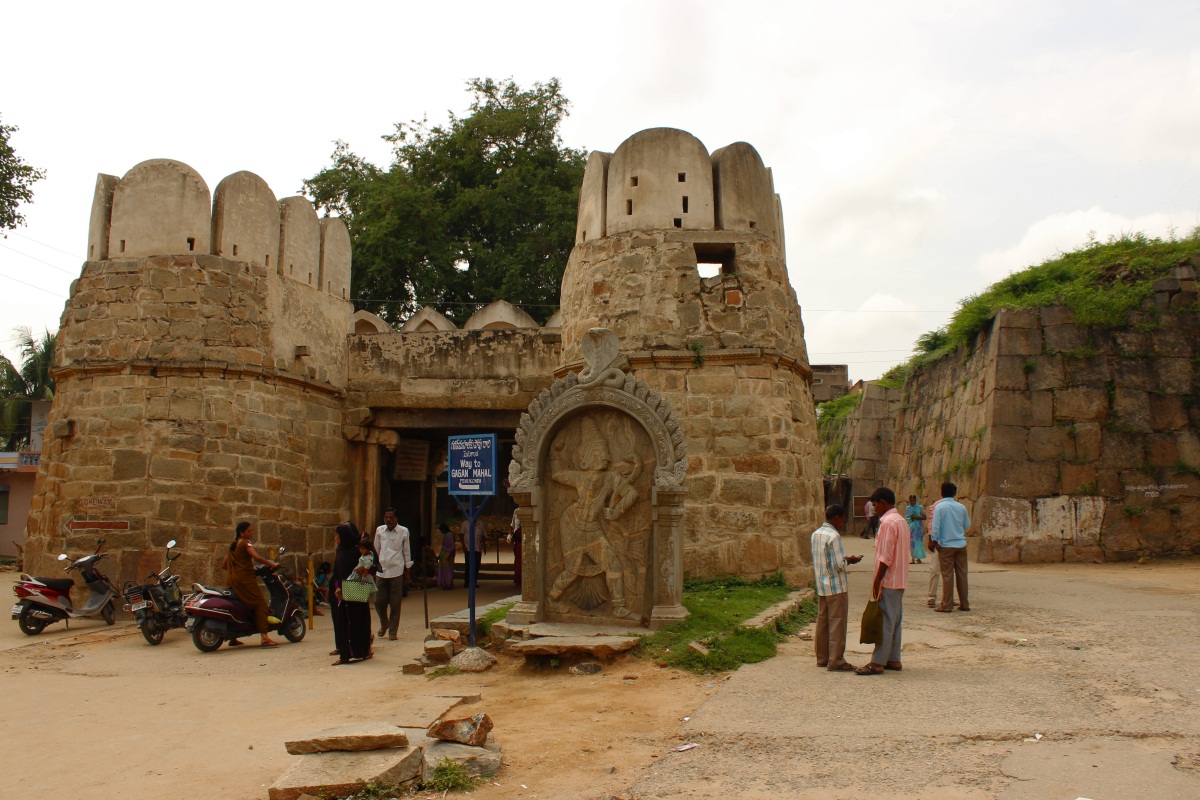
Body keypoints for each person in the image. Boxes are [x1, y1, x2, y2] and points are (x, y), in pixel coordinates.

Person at [856, 488, 909, 675]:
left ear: (883, 502)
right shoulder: (901, 521)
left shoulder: (887, 523)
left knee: (885, 620)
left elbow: (886, 557)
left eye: (875, 504)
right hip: (900, 579)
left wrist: (877, 580)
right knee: (895, 620)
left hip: (888, 579)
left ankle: (878, 662)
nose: (874, 508)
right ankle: (893, 658)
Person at [810, 504, 863, 672]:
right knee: (837, 622)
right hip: (836, 586)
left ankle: (822, 657)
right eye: (843, 520)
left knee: (823, 622)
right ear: (837, 518)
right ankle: (836, 659)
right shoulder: (834, 536)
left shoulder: (816, 534)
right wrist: (850, 560)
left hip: (821, 585)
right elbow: (838, 564)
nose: (843, 523)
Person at [223, 521, 280, 648]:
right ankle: (265, 638)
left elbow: (224, 565)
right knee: (260, 605)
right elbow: (257, 557)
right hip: (245, 581)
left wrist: (237, 571)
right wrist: (272, 564)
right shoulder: (245, 543)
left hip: (233, 581)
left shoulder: (232, 546)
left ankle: (233, 637)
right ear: (242, 533)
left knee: (239, 605)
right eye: (249, 531)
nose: (252, 533)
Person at [331, 522, 373, 665]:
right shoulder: (340, 551)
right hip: (343, 591)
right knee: (344, 623)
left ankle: (364, 650)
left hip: (357, 589)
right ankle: (345, 655)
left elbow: (369, 564)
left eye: (337, 535)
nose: (336, 537)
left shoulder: (358, 551)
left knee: (360, 621)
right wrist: (337, 587)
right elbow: (337, 572)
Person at [373, 508, 413, 641]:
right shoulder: (379, 530)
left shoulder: (403, 531)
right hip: (382, 570)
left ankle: (393, 631)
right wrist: (373, 567)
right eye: (386, 518)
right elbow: (376, 549)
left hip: (397, 569)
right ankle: (385, 623)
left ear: (396, 519)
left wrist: (408, 569)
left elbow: (406, 551)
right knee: (378, 600)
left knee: (395, 603)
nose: (388, 520)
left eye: (391, 517)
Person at [931, 481, 971, 612]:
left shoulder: (940, 507)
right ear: (955, 493)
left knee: (947, 575)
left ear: (942, 493)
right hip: (960, 544)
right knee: (962, 574)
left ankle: (947, 604)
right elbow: (966, 525)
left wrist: (935, 540)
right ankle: (964, 603)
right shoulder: (961, 507)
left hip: (946, 545)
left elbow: (935, 527)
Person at [924, 497, 944, 608]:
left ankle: (938, 597)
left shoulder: (937, 505)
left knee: (937, 570)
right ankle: (932, 596)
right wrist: (931, 539)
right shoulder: (937, 505)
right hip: (941, 541)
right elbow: (931, 522)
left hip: (942, 541)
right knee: (936, 569)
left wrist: (931, 539)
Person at [460, 516, 486, 589]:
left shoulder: (480, 524)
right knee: (468, 566)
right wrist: (464, 546)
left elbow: (483, 535)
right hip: (468, 548)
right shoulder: (465, 523)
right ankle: (467, 582)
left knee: (476, 566)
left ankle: (474, 582)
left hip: (477, 548)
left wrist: (484, 546)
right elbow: (461, 535)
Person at [905, 495, 926, 564]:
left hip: (918, 528)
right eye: (910, 501)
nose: (912, 502)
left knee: (918, 543)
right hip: (911, 527)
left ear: (915, 500)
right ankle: (913, 558)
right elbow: (907, 517)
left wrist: (916, 517)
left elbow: (924, 517)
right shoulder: (908, 508)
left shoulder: (920, 508)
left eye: (913, 500)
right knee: (912, 543)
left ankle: (918, 558)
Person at [436, 522, 456, 589]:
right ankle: (446, 584)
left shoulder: (449, 535)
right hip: (444, 555)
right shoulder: (447, 535)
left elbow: (452, 547)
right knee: (445, 570)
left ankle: (448, 584)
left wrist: (450, 555)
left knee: (448, 570)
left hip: (448, 555)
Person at [510, 509, 523, 587]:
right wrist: (510, 536)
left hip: (521, 543)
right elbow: (512, 526)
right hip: (518, 544)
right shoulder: (516, 511)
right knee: (518, 563)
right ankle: (518, 578)